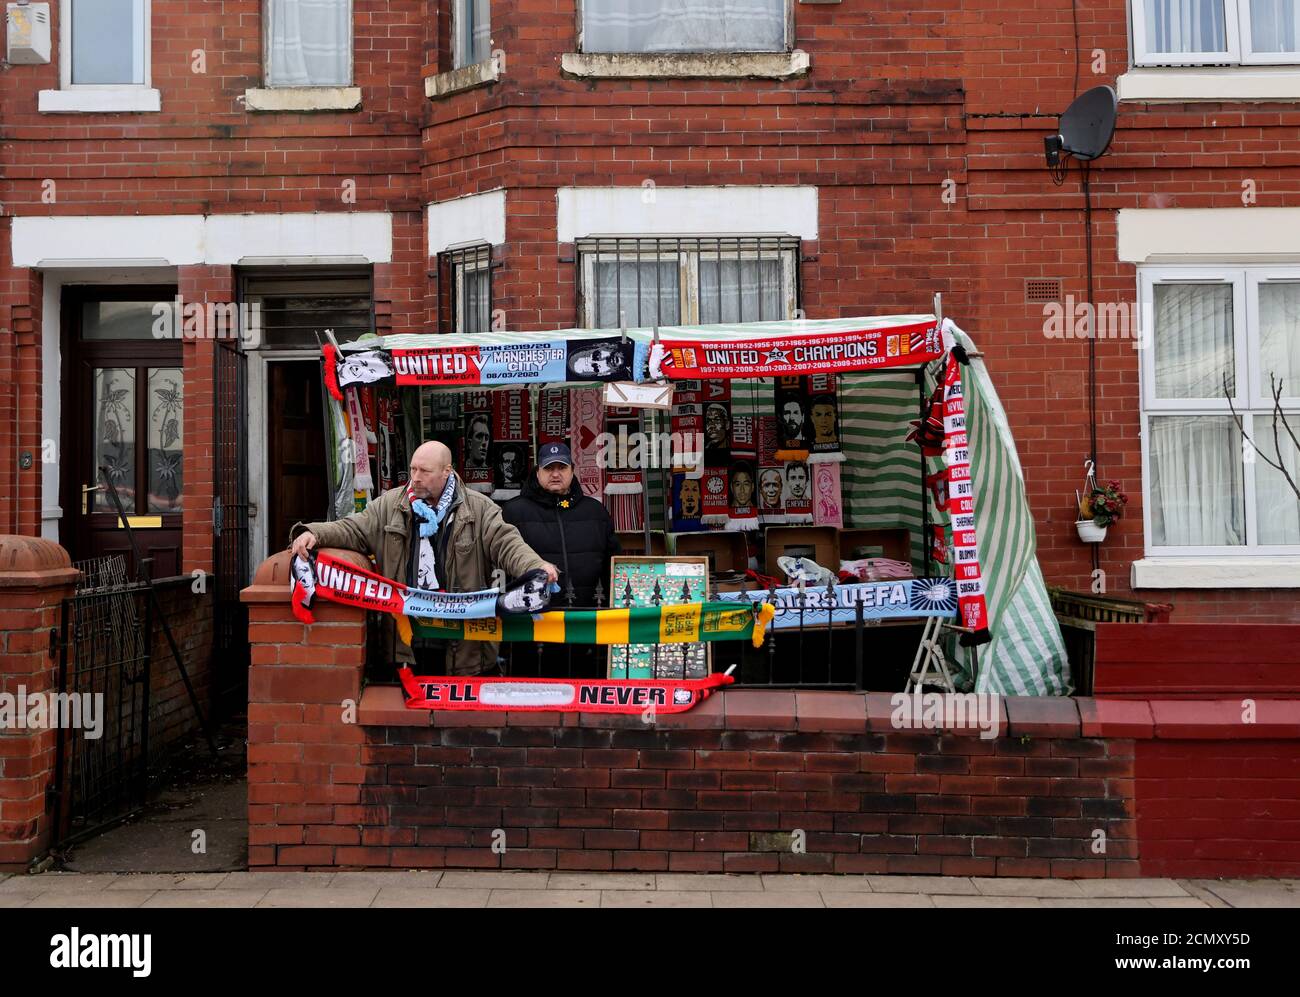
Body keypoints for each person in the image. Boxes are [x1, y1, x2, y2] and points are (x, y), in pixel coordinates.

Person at [290, 440, 558, 676]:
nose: (415, 477)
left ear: (446, 472)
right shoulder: (390, 505)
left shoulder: (479, 509)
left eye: (425, 471)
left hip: (462, 644)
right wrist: (313, 532)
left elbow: (508, 544)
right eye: (413, 469)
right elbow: (352, 529)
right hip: (407, 642)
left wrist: (536, 567)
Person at [502, 443, 621, 678]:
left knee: (582, 700)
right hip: (531, 628)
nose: (556, 474)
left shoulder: (595, 512)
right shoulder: (513, 512)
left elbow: (612, 567)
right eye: (549, 468)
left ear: (572, 470)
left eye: (562, 467)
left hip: (584, 627)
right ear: (538, 472)